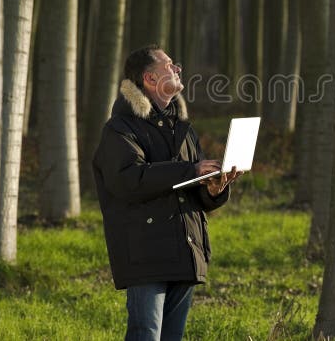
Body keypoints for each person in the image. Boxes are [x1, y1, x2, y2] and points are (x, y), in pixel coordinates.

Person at [92, 45, 242, 341]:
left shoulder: (184, 129)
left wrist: (214, 188)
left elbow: (194, 190)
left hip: (185, 250)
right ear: (150, 78)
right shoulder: (119, 129)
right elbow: (128, 180)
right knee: (145, 335)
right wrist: (192, 170)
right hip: (145, 253)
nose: (177, 68)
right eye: (169, 64)